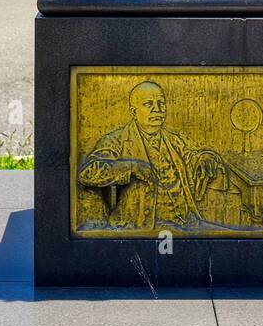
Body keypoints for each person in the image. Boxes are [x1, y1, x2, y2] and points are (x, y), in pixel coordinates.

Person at [77, 80, 226, 230]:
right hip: (144, 226)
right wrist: (130, 167)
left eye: (161, 103)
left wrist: (204, 157)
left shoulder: (172, 139)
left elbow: (189, 158)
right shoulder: (116, 140)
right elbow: (87, 173)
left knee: (231, 237)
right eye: (149, 104)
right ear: (133, 112)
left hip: (188, 223)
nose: (158, 109)